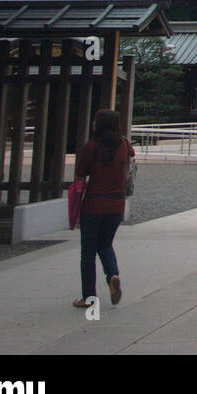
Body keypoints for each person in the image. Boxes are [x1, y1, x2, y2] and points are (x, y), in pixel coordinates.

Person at [73, 109, 134, 308]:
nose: (92, 124)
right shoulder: (124, 145)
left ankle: (89, 297)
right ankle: (112, 275)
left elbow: (81, 171)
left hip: (94, 204)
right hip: (117, 204)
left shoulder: (92, 147)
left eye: (95, 122)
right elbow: (132, 154)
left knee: (88, 252)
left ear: (99, 125)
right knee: (105, 245)